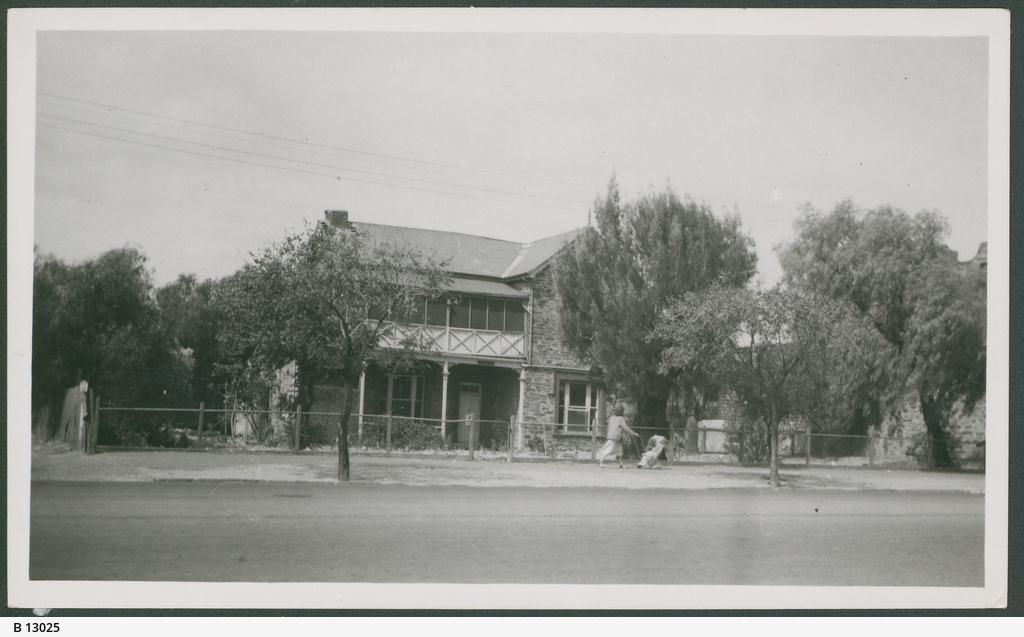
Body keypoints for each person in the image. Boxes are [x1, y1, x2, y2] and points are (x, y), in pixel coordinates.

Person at [597, 404, 637, 468]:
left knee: (619, 450)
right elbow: (625, 427)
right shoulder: (620, 419)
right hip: (615, 437)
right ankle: (601, 461)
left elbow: (609, 427)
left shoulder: (612, 418)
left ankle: (621, 464)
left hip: (612, 436)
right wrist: (633, 433)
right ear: (622, 412)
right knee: (609, 449)